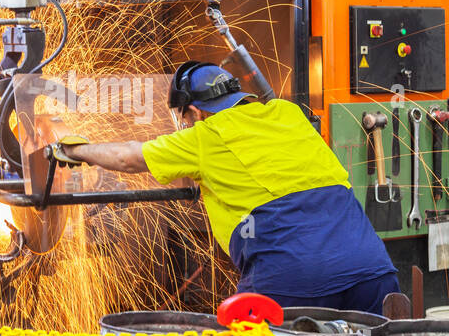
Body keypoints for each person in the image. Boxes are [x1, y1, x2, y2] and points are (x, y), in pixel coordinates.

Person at [55, 61, 399, 314]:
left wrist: (74, 150)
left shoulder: (205, 136)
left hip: (294, 277)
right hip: (371, 268)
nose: (184, 128)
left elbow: (126, 157)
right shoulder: (287, 112)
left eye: (183, 121)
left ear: (194, 112)